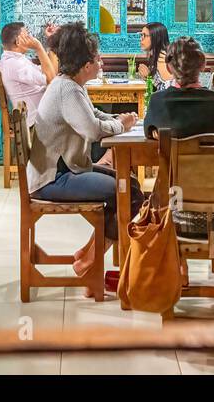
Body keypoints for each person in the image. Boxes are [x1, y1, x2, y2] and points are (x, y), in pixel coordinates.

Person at [26, 22, 143, 282]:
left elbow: (94, 115)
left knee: (128, 185)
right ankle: (90, 262)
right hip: (54, 178)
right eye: (96, 57)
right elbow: (92, 130)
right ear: (85, 65)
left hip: (66, 168)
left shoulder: (70, 84)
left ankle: (89, 255)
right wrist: (120, 125)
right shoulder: (67, 88)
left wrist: (118, 119)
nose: (100, 61)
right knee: (129, 192)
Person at [144, 36, 214, 288]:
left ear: (170, 68)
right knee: (212, 184)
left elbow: (151, 134)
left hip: (176, 210)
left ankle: (180, 268)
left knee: (163, 192)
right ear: (204, 65)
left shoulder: (158, 102)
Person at [0, 21, 56, 119]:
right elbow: (52, 80)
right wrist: (39, 47)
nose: (30, 37)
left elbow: (51, 72)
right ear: (18, 41)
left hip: (43, 117)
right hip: (37, 124)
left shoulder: (16, 60)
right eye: (27, 35)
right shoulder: (15, 64)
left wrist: (51, 41)